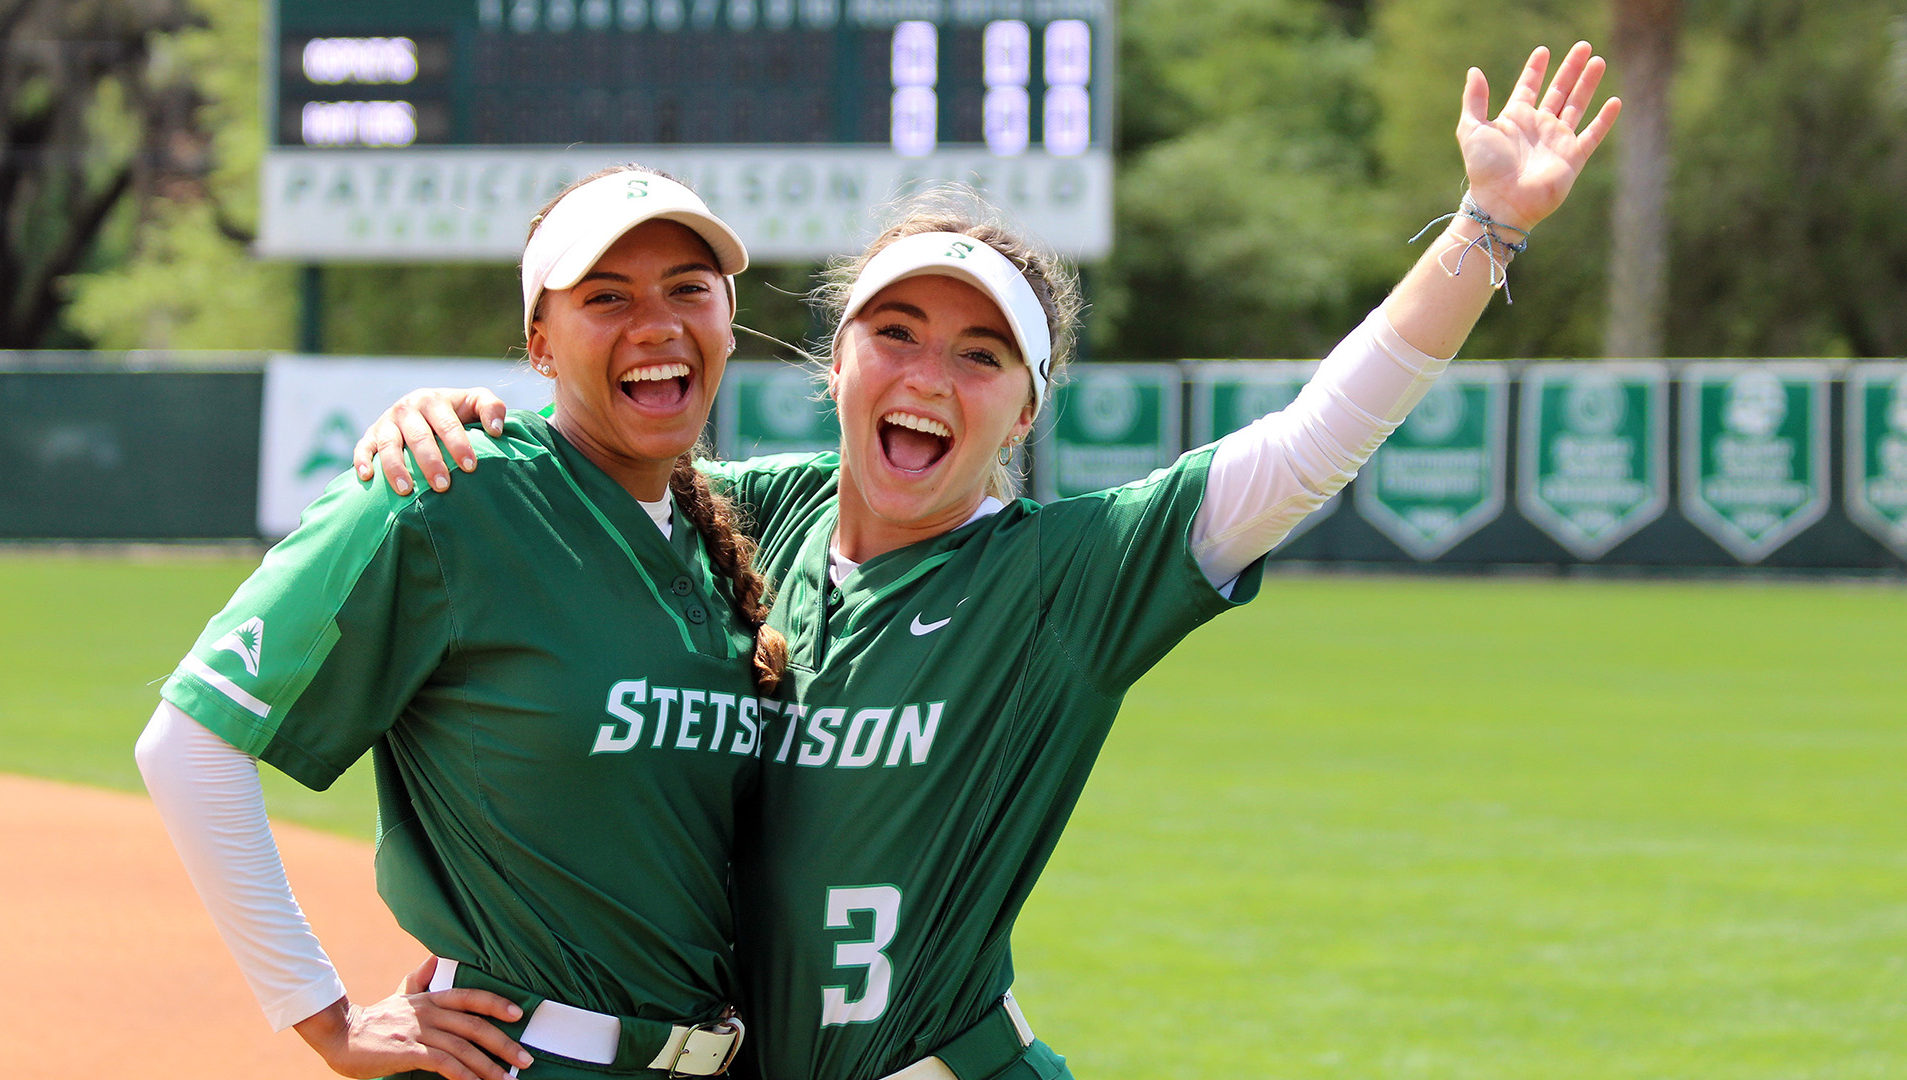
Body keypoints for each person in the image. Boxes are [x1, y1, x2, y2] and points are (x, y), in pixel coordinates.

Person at [355, 44, 1620, 1080]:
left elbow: (1307, 447)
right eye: (894, 333)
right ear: (833, 366)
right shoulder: (735, 519)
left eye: (980, 356)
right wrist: (448, 424)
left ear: (1023, 413)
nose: (926, 376)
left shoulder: (1067, 579)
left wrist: (1486, 227)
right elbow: (583, 456)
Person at [137, 166, 788, 1080]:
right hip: (522, 1058)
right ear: (538, 343)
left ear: (727, 317)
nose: (657, 323)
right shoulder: (444, 494)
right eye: (606, 297)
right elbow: (188, 744)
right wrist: (327, 1019)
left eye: (689, 289)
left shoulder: (741, 528)